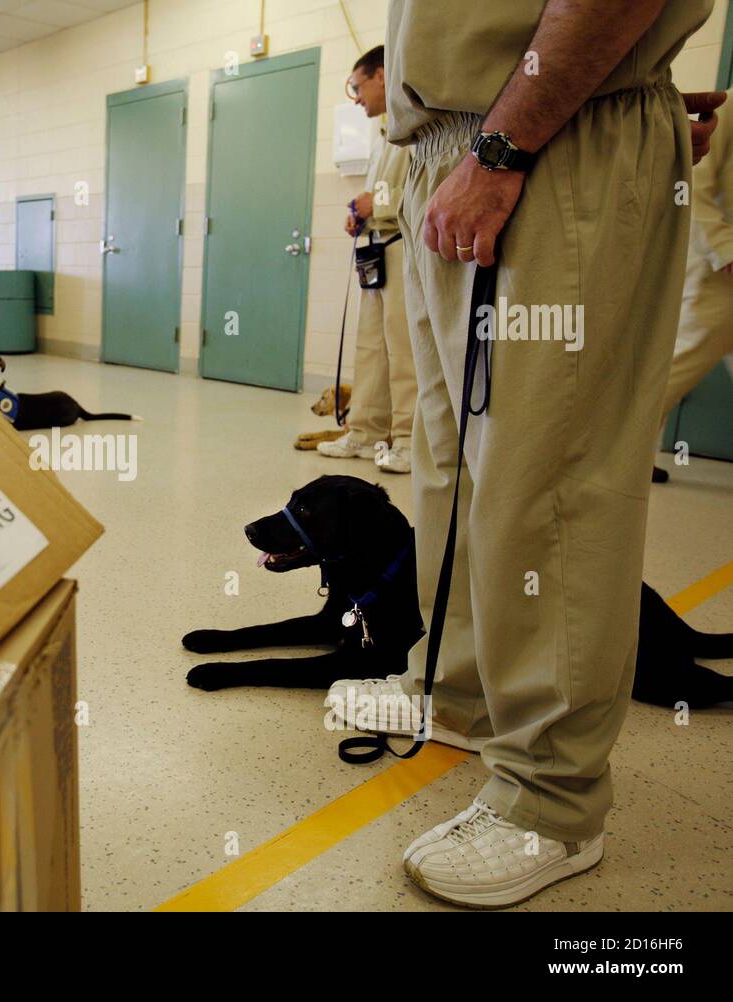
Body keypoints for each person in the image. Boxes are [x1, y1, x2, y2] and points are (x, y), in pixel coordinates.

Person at [328, 0, 721, 908]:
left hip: (537, 142)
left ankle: (553, 797)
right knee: (453, 462)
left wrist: (506, 144)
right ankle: (460, 692)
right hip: (456, 150)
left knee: (546, 477)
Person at [318, 45, 417, 474]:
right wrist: (360, 211)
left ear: (381, 76)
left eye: (358, 87)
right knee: (371, 347)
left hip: (404, 246)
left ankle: (412, 442)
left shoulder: (417, 124)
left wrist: (372, 202)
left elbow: (421, 190)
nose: (356, 98)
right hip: (378, 246)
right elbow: (379, 195)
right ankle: (365, 432)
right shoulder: (382, 134)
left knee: (404, 352)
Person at [654, 98, 733, 483]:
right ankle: (613, 457)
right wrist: (725, 250)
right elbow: (696, 183)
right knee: (674, 369)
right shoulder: (731, 108)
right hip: (720, 270)